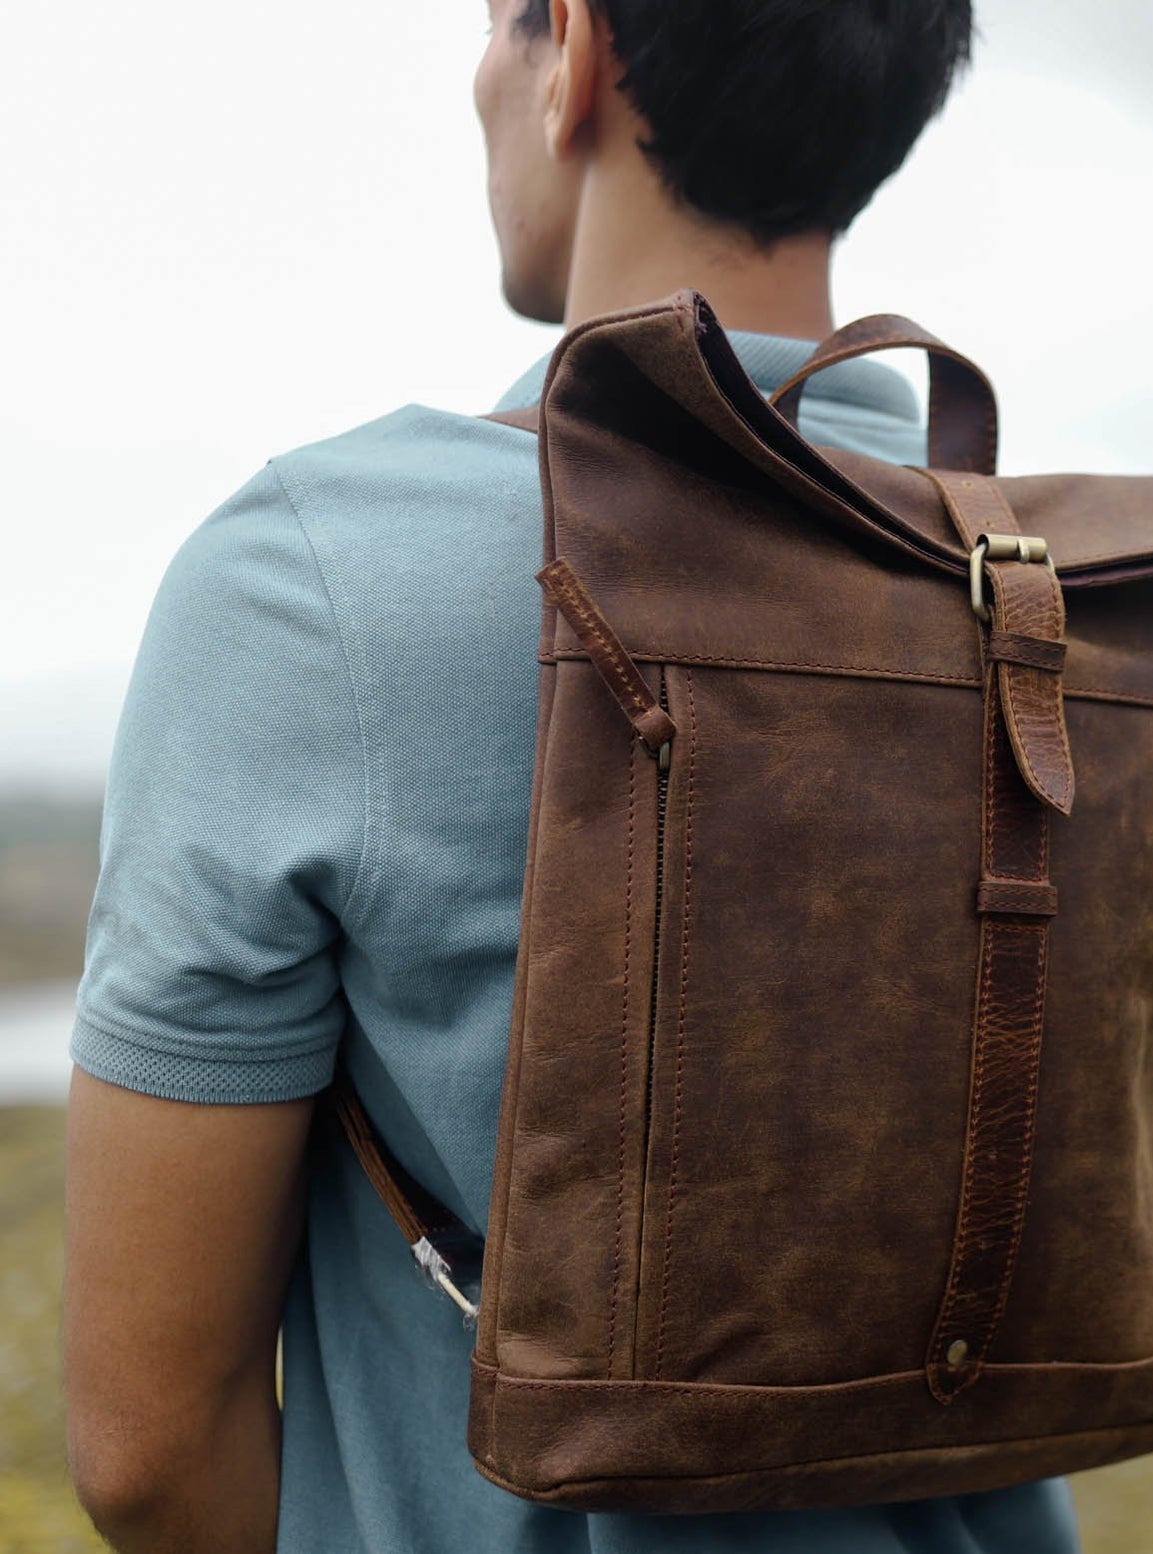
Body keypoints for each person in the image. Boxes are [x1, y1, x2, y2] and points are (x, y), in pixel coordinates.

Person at [61, 3, 1079, 1550]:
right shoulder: (1048, 598)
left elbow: (147, 1446)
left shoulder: (312, 587)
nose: (479, 75)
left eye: (492, 22)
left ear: (580, 55)